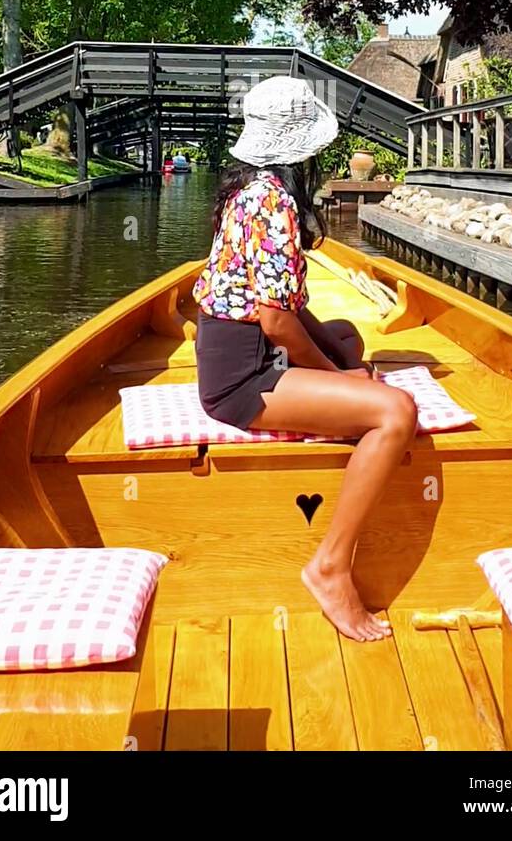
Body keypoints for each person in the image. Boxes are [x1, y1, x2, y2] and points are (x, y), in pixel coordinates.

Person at [193, 75, 417, 642]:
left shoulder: (248, 191)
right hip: (243, 377)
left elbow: (286, 306)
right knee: (395, 413)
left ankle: (342, 385)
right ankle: (330, 567)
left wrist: (340, 358)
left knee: (346, 336)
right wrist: (341, 376)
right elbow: (275, 322)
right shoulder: (273, 202)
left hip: (242, 349)